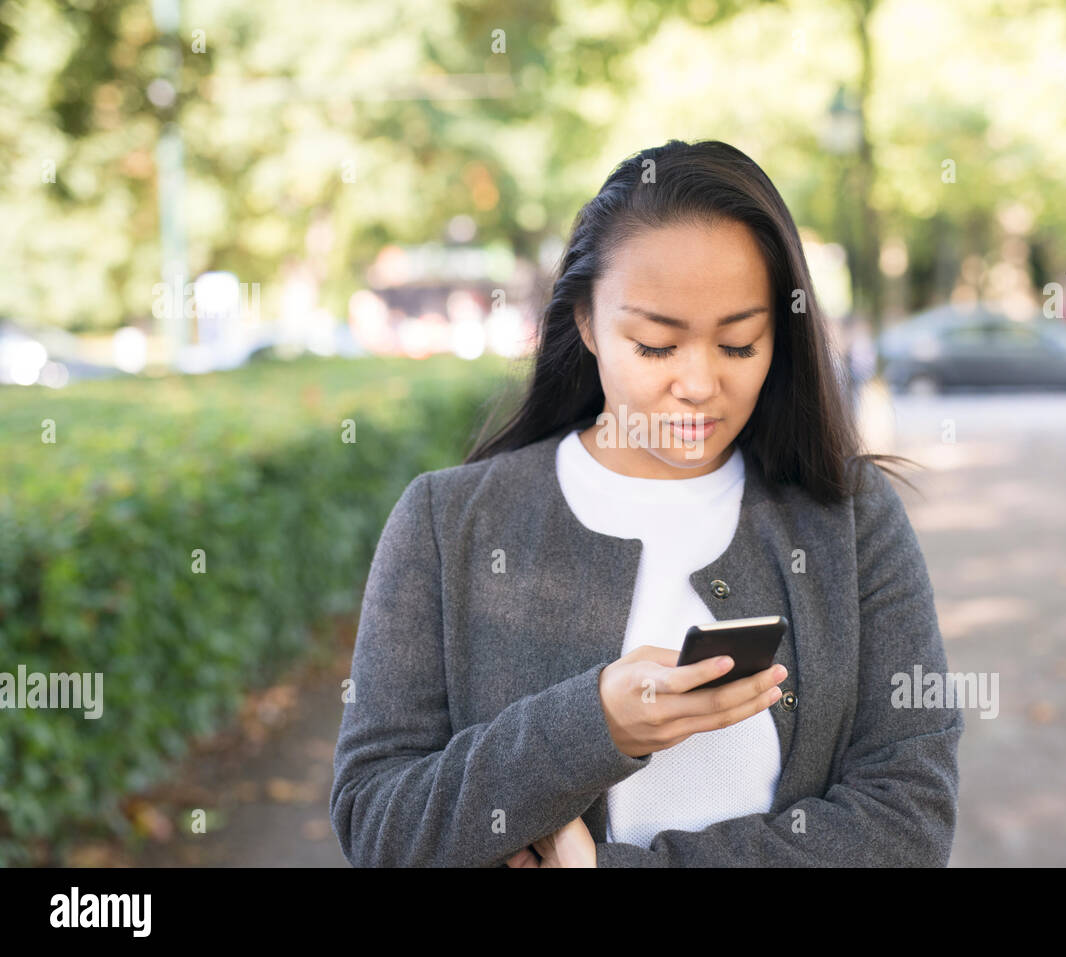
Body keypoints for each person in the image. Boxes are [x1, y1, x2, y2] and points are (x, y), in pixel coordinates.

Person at [329, 139, 963, 867]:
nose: (697, 383)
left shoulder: (848, 517)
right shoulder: (448, 523)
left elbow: (908, 819)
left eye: (739, 344)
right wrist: (595, 723)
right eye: (656, 346)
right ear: (587, 323)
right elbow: (379, 821)